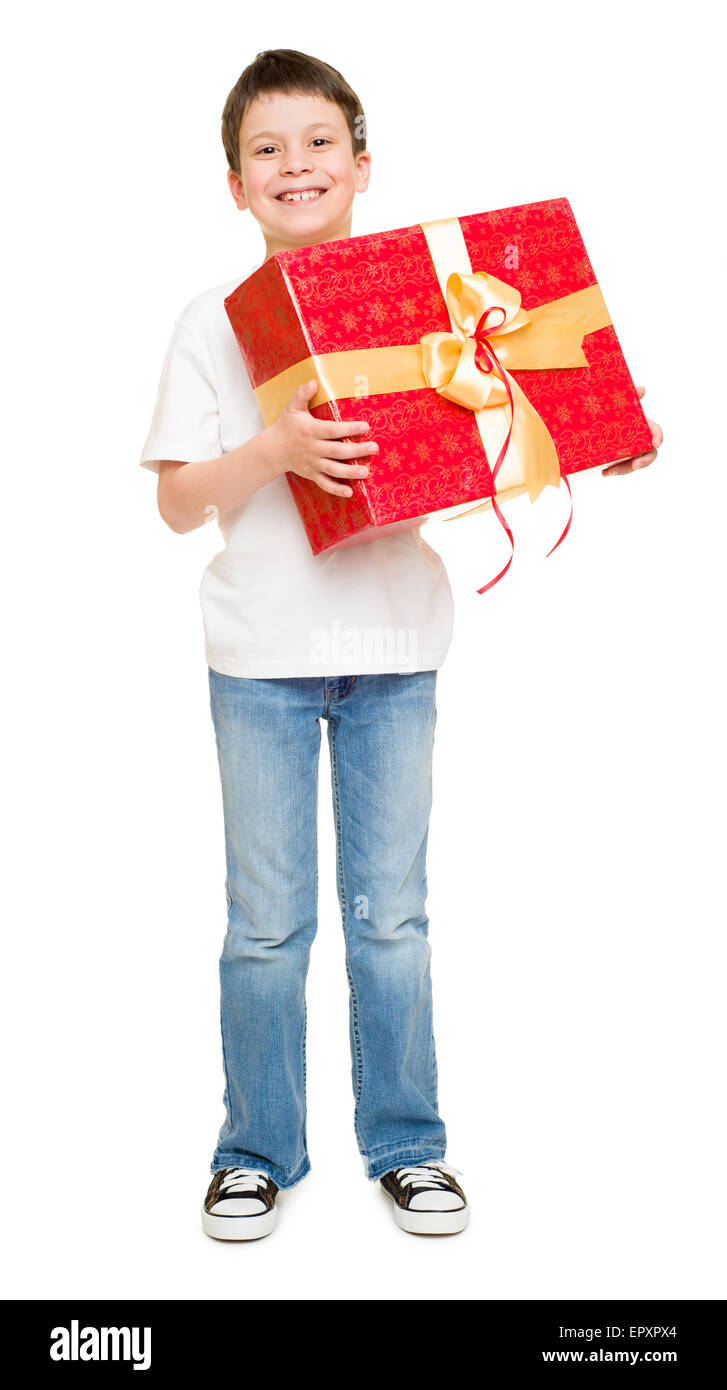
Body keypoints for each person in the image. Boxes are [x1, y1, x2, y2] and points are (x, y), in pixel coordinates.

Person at [138, 49, 662, 1242]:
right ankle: (256, 1150)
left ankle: (408, 1145)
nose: (295, 166)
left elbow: (497, 424)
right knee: (266, 922)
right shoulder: (211, 323)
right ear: (234, 185)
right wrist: (271, 451)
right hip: (257, 661)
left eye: (317, 143)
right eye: (265, 150)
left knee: (392, 916)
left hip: (395, 647)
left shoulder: (434, 305)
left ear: (362, 165)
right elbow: (175, 503)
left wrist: (600, 434)